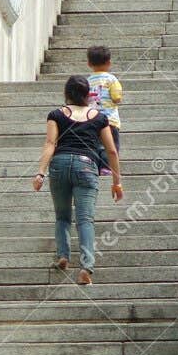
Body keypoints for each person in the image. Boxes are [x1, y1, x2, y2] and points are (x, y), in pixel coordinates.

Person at [33, 75, 123, 285]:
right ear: (87, 95)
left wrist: (40, 173)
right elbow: (111, 150)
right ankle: (86, 268)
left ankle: (63, 256)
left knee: (62, 217)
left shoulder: (56, 114)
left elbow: (50, 144)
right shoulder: (100, 117)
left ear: (66, 93)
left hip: (60, 165)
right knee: (85, 219)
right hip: (86, 166)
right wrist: (116, 182)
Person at [85, 44, 123, 171]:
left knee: (95, 145)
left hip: (92, 120)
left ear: (89, 64)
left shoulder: (87, 81)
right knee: (110, 145)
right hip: (110, 120)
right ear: (109, 62)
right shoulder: (112, 79)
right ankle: (107, 168)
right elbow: (117, 98)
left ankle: (95, 167)